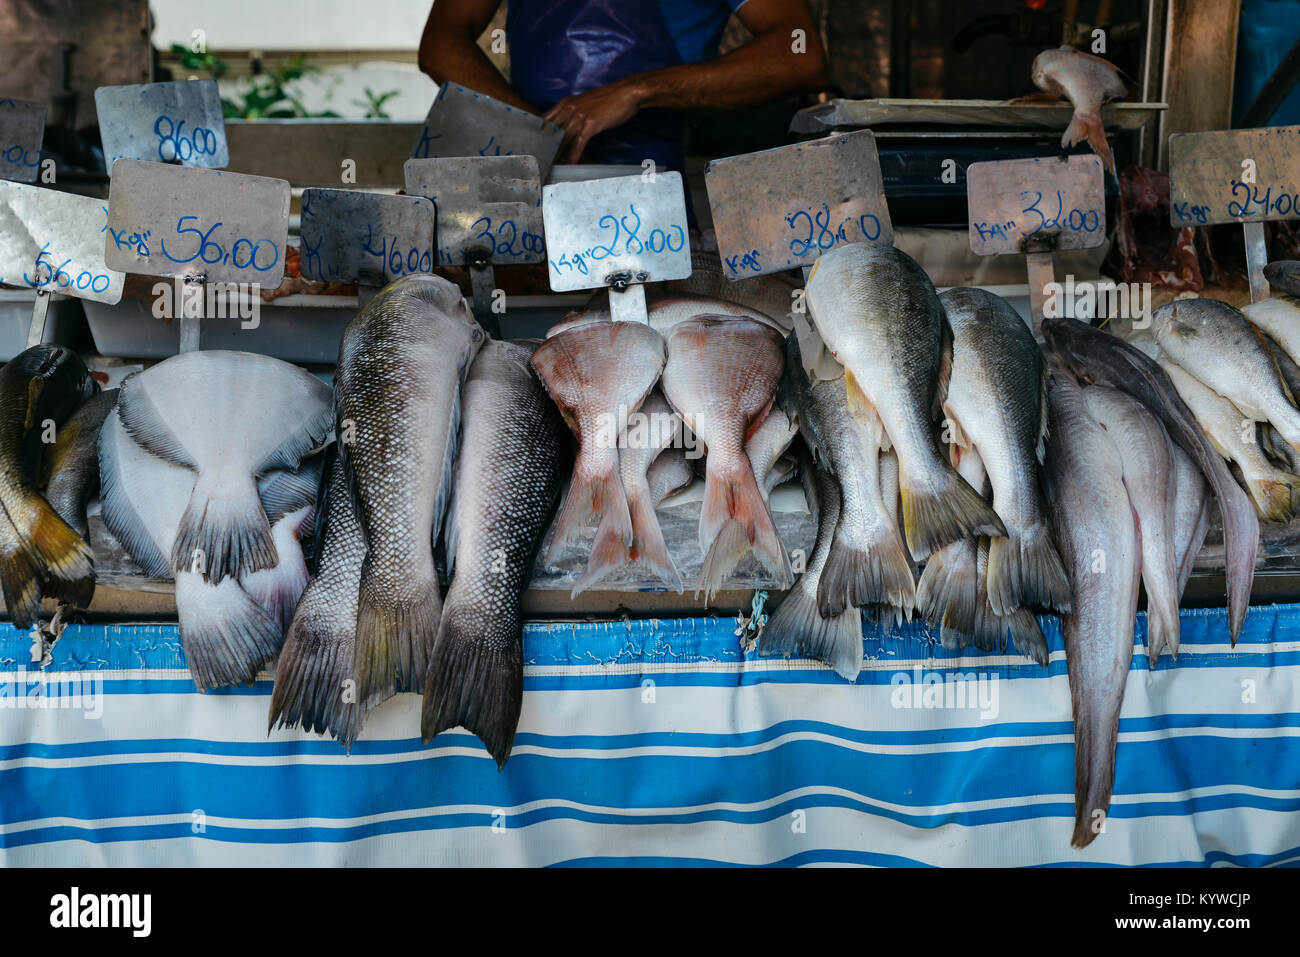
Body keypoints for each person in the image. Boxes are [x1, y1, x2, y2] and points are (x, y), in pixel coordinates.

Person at [418, 0, 828, 173]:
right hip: (533, 172)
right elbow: (441, 44)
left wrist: (637, 91)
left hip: (650, 188)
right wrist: (537, 133)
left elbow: (800, 54)